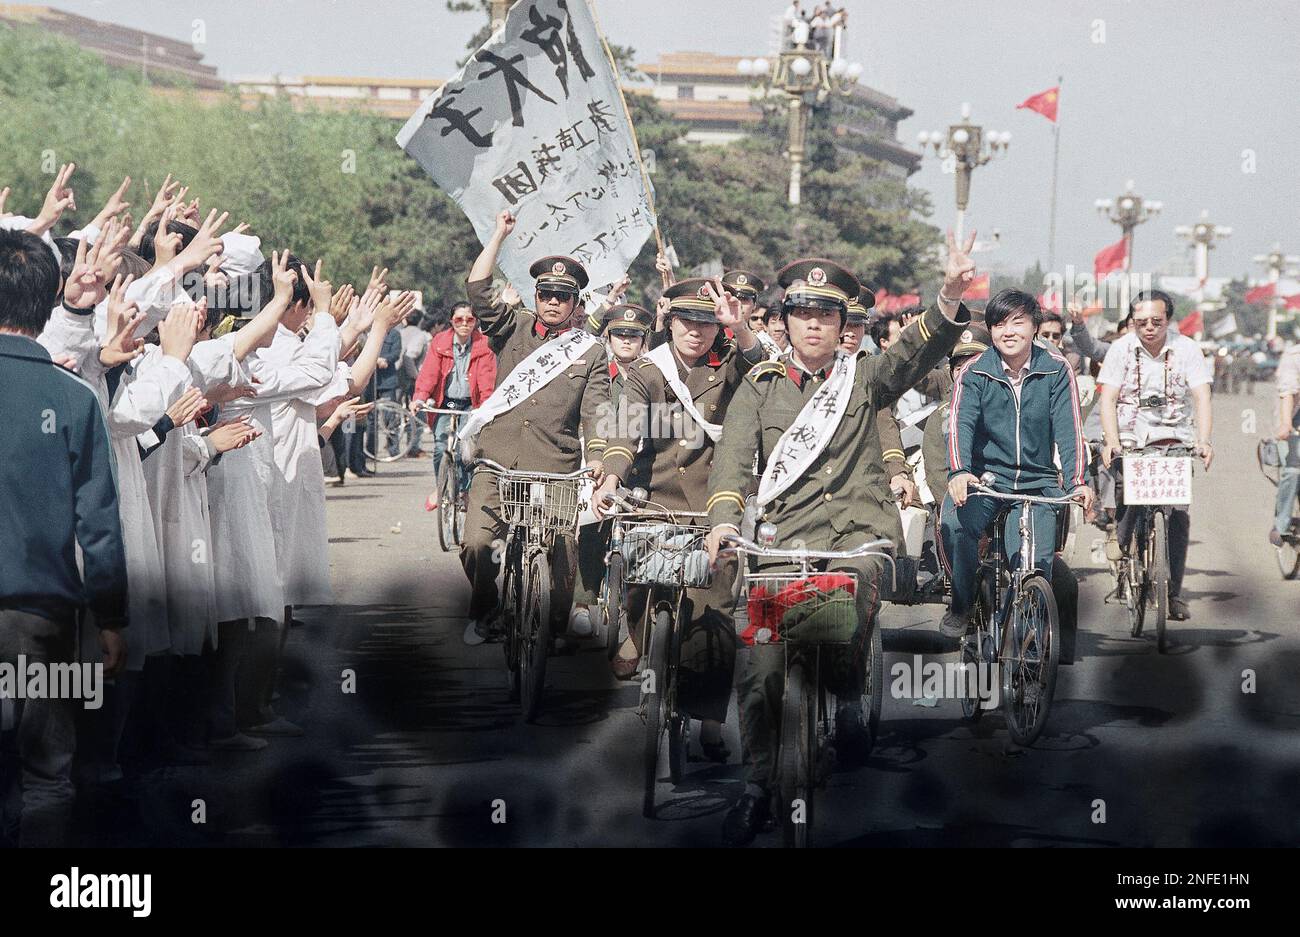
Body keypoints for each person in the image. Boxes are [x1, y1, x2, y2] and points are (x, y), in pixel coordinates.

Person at [705, 237, 978, 846]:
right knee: (760, 666)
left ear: (842, 324)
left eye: (827, 315)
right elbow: (731, 460)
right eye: (804, 313)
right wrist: (725, 519)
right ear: (788, 319)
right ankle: (756, 784)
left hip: (858, 541)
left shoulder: (865, 379)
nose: (814, 325)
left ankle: (849, 685)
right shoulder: (761, 386)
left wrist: (950, 296)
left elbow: (913, 351)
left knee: (845, 627)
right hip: (784, 543)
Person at [592, 278, 764, 760]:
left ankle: (710, 720)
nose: (697, 331)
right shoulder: (648, 371)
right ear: (670, 323)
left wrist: (743, 329)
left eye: (707, 322)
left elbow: (765, 370)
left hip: (717, 506)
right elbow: (624, 428)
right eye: (687, 321)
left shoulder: (733, 366)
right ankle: (653, 659)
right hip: (655, 499)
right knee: (638, 593)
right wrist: (610, 477)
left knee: (714, 615)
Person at [0, 228, 128, 846]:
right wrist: (111, 618)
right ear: (51, 303)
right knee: (47, 773)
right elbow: (99, 523)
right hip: (42, 618)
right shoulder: (73, 398)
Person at [457, 210, 611, 646]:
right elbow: (477, 289)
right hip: (498, 460)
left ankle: (557, 626)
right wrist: (498, 235)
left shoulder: (591, 352)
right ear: (536, 295)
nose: (553, 302)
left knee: (563, 554)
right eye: (546, 294)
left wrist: (597, 456)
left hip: (555, 467)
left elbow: (597, 410)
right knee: (477, 544)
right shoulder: (513, 328)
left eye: (563, 296)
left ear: (576, 303)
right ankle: (486, 611)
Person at [940, 289, 1092, 638]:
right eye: (998, 324)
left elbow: (1070, 430)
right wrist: (961, 472)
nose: (1008, 332)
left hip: (1037, 483)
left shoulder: (1056, 370)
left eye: (1017, 323)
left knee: (1033, 564)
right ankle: (962, 605)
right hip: (984, 480)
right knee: (958, 527)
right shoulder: (975, 371)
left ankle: (1030, 644)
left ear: (1035, 327)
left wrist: (1077, 481)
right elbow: (960, 425)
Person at [1097, 289, 1213, 621]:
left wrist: (1204, 440)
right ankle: (1121, 543)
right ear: (1133, 321)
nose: (1148, 328)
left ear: (1169, 320)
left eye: (1156, 321)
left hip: (1175, 437)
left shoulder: (1187, 348)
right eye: (1141, 321)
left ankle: (1173, 594)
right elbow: (1108, 399)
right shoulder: (1120, 349)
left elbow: (1202, 395)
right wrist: (1110, 441)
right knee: (1128, 498)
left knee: (1177, 516)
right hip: (1131, 437)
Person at [571, 302, 653, 639]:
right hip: (598, 458)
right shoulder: (598, 370)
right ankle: (580, 603)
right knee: (591, 529)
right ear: (609, 336)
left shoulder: (654, 372)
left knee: (645, 539)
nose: (626, 341)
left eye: (633, 336)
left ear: (643, 339)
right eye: (620, 334)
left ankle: (637, 617)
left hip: (643, 461)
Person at [411, 301, 497, 511]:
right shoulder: (440, 341)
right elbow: (429, 374)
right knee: (441, 447)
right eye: (459, 319)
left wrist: (485, 408)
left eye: (469, 319)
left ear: (475, 322)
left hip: (471, 404)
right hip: (445, 402)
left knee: (464, 452)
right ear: (451, 321)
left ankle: (465, 490)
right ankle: (440, 487)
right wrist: (420, 397)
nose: (464, 324)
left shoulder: (484, 344)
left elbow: (487, 380)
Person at [1270, 342, 1300, 545]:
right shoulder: (1294, 355)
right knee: (1294, 470)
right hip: (1294, 419)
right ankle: (1281, 526)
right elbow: (1288, 392)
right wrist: (1286, 424)